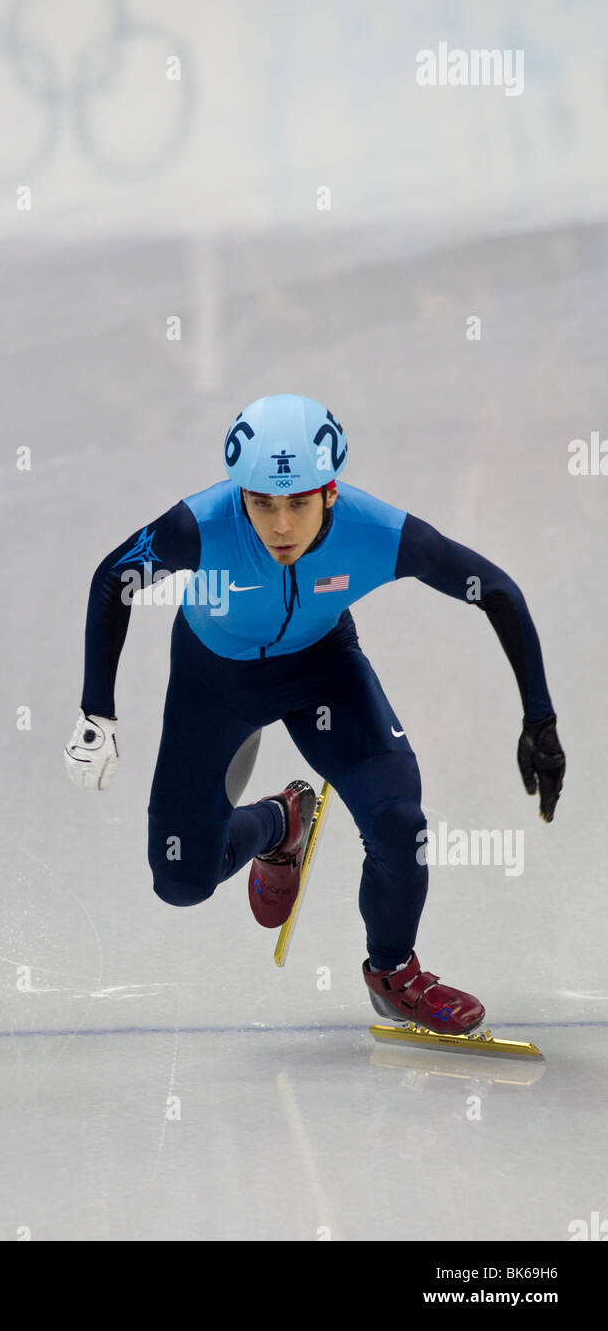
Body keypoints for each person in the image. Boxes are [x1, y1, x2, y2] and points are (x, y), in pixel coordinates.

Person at [64, 394, 565, 1035]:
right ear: (238, 492)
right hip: (213, 682)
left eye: (298, 501)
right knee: (181, 881)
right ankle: (279, 823)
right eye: (261, 503)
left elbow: (494, 589)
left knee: (398, 821)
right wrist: (96, 713)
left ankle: (394, 973)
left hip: (322, 672)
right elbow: (114, 579)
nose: (279, 525)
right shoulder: (198, 525)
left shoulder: (379, 532)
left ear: (331, 492)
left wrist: (539, 720)